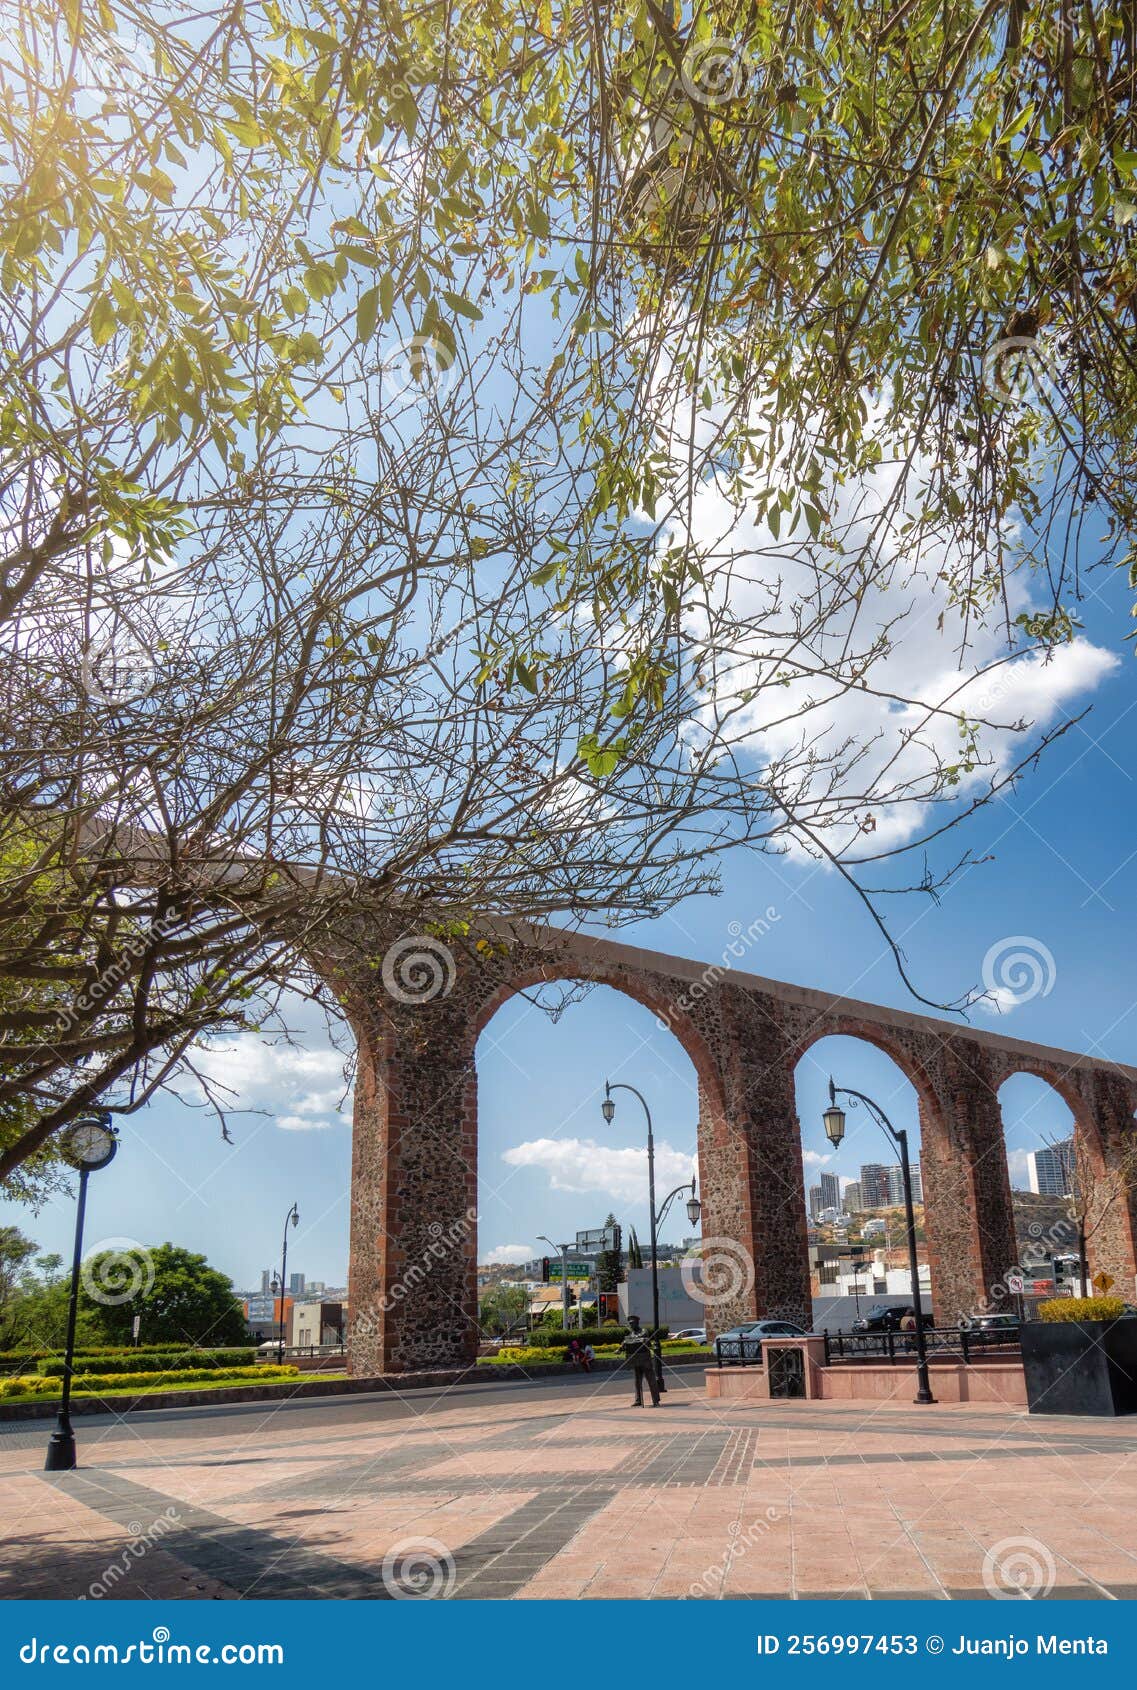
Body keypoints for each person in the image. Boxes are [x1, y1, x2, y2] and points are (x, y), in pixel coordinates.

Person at [622, 1314, 660, 1407]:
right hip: (636, 1360)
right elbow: (627, 1341)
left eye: (633, 1323)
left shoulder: (643, 1331)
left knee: (651, 1380)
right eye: (630, 1323)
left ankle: (655, 1400)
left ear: (637, 1322)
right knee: (637, 1382)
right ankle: (638, 1400)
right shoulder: (631, 1334)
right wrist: (622, 1346)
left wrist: (631, 1340)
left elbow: (642, 1338)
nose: (631, 1325)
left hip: (645, 1360)